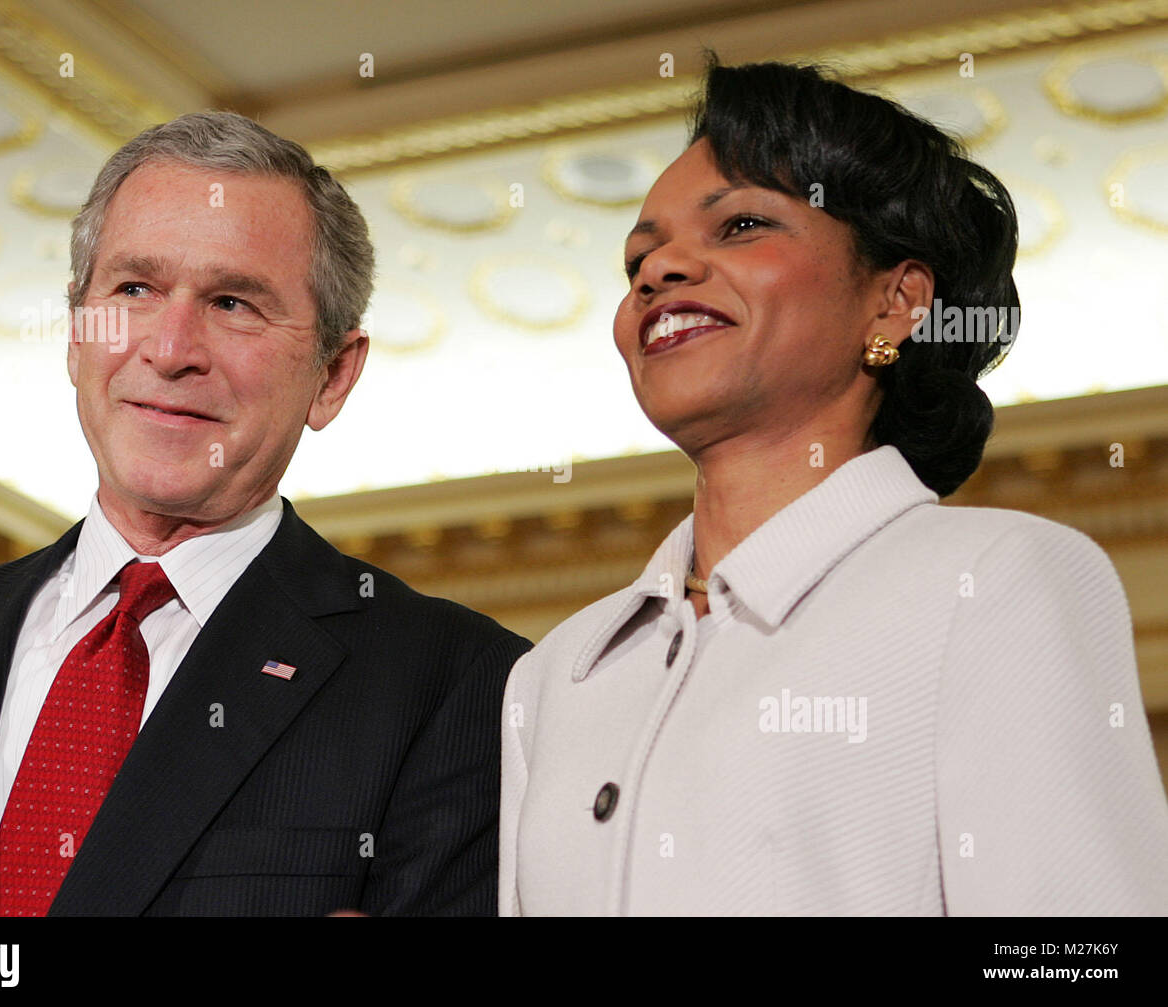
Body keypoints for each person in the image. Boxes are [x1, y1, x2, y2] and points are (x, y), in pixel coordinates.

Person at [499, 60, 1168, 916]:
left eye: (739, 225)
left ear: (897, 304)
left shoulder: (997, 581)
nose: (659, 270)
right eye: (641, 255)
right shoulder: (557, 672)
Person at [0, 111, 530, 916]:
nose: (171, 347)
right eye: (135, 289)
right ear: (78, 333)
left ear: (333, 374)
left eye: (233, 302)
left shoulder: (459, 689)